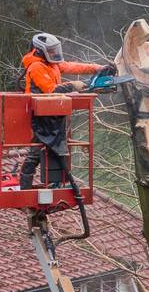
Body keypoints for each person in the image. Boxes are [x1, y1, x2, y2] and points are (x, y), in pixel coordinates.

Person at [17, 33, 115, 189]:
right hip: (40, 116)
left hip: (52, 113)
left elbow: (72, 66)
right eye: (51, 51)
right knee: (36, 152)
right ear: (40, 50)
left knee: (58, 148)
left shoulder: (51, 64)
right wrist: (72, 86)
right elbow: (51, 90)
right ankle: (25, 186)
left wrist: (97, 68)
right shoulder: (36, 67)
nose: (55, 54)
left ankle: (57, 182)